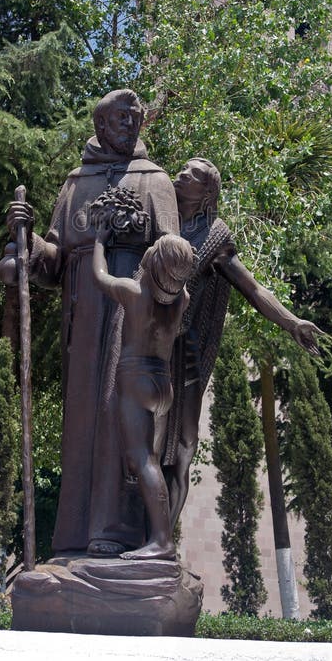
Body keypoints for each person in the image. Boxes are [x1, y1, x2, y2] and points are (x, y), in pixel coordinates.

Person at [4, 89, 179, 556]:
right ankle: (73, 539)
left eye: (136, 117)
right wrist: (28, 238)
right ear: (101, 124)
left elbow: (175, 260)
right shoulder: (76, 181)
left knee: (113, 417)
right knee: (82, 419)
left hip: (128, 315)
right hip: (82, 318)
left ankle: (116, 532)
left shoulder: (155, 181)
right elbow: (54, 260)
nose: (130, 123)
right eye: (121, 116)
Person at [163, 157, 324, 528]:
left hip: (183, 352)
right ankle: (139, 533)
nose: (183, 174)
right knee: (143, 447)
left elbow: (252, 288)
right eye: (184, 169)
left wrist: (291, 321)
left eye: (194, 175)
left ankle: (163, 540)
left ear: (207, 193)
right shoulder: (160, 221)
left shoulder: (215, 236)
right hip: (146, 346)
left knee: (182, 449)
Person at [92, 226, 195, 560]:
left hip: (135, 380)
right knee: (145, 459)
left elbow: (100, 276)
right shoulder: (183, 299)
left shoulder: (133, 292)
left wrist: (99, 241)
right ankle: (158, 537)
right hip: (163, 385)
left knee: (143, 460)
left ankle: (162, 542)